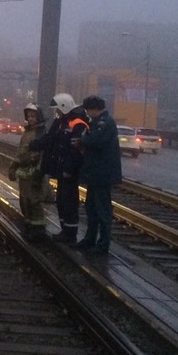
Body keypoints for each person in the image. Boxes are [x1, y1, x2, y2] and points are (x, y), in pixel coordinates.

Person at [33, 92, 89, 244]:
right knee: (62, 201)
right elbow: (50, 139)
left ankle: (70, 234)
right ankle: (65, 230)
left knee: (69, 202)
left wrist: (69, 170)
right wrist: (37, 144)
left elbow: (75, 151)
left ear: (64, 108)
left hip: (69, 172)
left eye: (57, 109)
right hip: (61, 169)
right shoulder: (62, 122)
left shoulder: (77, 124)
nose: (55, 112)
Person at [75, 95, 122, 254]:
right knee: (91, 208)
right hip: (95, 173)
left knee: (102, 209)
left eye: (88, 110)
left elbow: (94, 140)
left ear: (95, 108)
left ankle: (103, 244)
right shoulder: (96, 122)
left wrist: (83, 139)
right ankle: (90, 239)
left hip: (102, 173)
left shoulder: (105, 123)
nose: (87, 113)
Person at [7, 102, 48, 241]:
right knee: (25, 200)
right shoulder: (27, 132)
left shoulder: (41, 132)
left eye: (33, 116)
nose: (30, 118)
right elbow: (21, 151)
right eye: (29, 116)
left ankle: (39, 229)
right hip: (24, 172)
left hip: (34, 171)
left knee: (34, 201)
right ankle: (29, 224)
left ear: (39, 117)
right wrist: (13, 166)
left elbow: (44, 154)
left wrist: (39, 172)